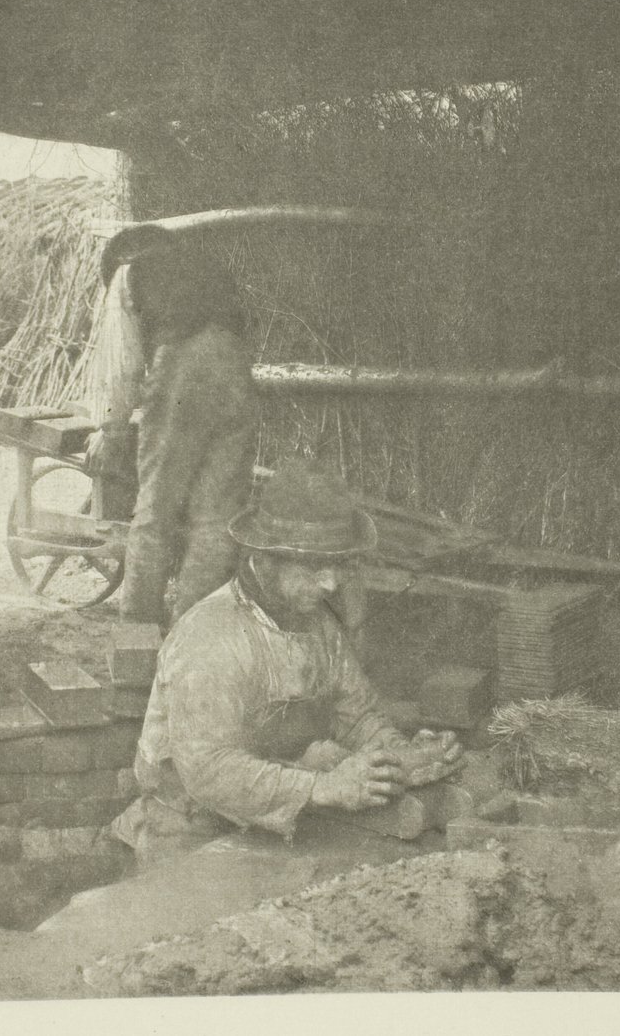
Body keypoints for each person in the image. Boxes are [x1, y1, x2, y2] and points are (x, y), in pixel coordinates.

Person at [108, 459, 461, 851]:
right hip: (186, 828)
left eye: (337, 565)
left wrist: (400, 754)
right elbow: (208, 770)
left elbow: (358, 717)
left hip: (276, 821)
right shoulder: (210, 636)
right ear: (267, 559)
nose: (331, 583)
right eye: (314, 567)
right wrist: (324, 787)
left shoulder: (319, 625)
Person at [91, 226, 258, 629]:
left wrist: (111, 430)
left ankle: (138, 633)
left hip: (183, 370)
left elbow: (122, 364)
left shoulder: (128, 274)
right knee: (216, 519)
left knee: (155, 511)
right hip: (236, 371)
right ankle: (190, 634)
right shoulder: (207, 269)